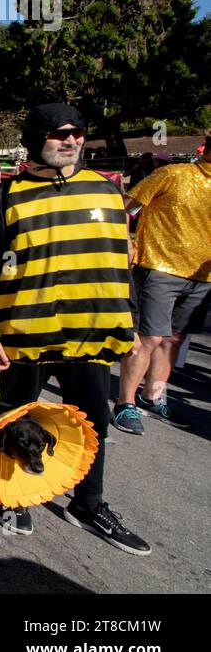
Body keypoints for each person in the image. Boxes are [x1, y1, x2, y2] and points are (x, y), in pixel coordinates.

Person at [0, 103, 149, 555]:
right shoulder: (4, 196)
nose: (69, 140)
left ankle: (89, 505)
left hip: (92, 333)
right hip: (26, 334)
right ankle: (6, 492)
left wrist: (130, 323)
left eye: (76, 133)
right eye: (57, 134)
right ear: (37, 140)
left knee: (94, 425)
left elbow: (119, 262)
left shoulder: (107, 192)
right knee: (12, 416)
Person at [113, 136, 211, 433]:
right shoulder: (173, 174)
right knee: (149, 338)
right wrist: (126, 241)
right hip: (159, 266)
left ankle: (152, 396)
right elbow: (125, 208)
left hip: (203, 277)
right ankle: (125, 403)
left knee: (173, 340)